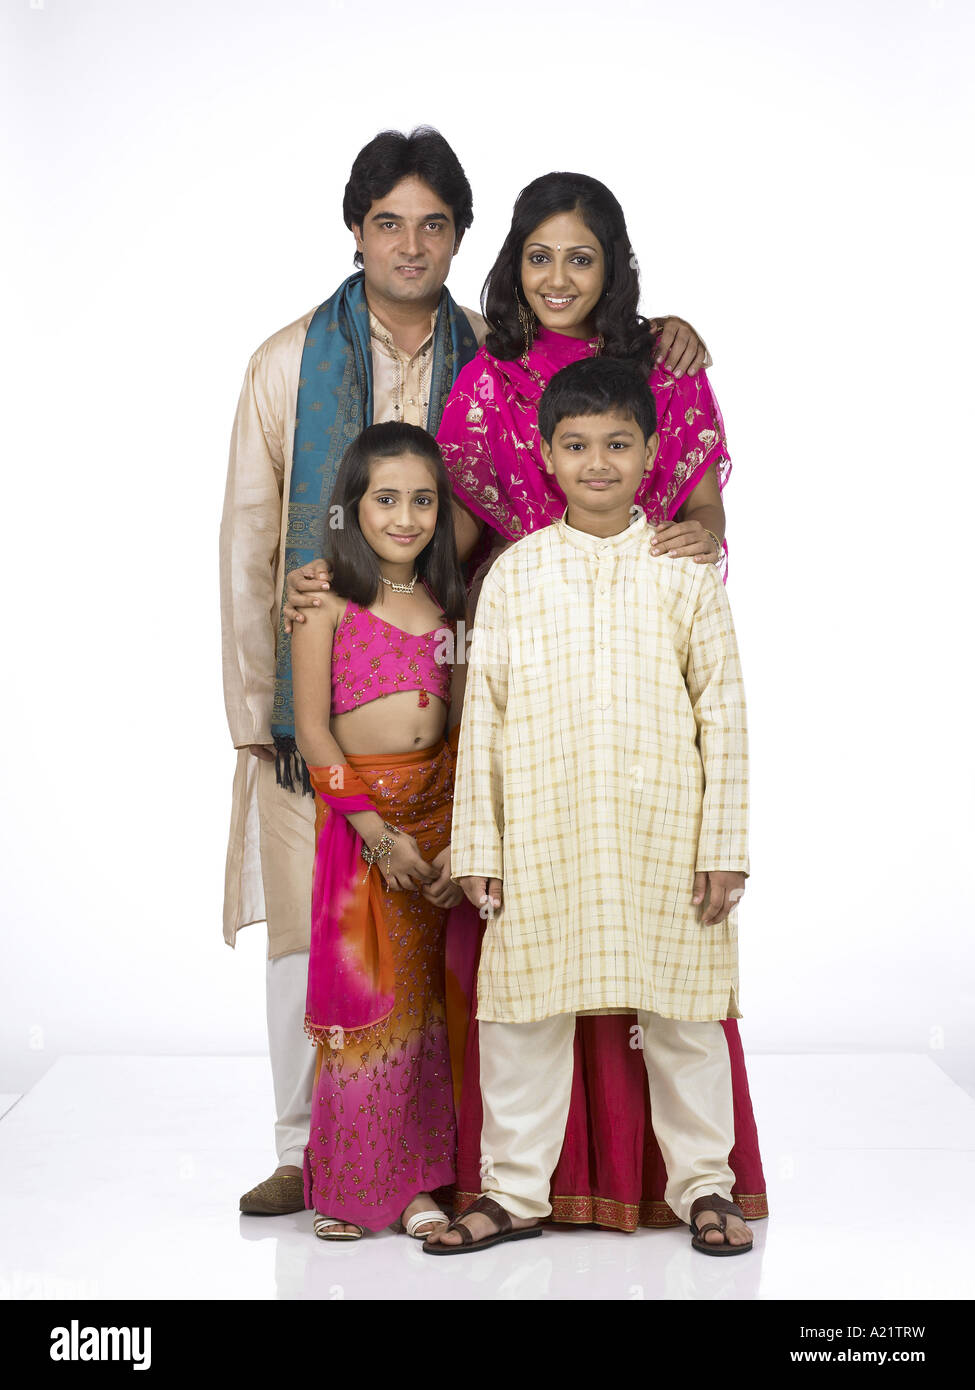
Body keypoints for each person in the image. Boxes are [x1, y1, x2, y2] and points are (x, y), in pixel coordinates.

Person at [226, 130, 706, 1219]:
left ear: (459, 238)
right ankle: (307, 1149)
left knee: (450, 944)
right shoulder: (287, 360)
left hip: (469, 686)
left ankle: (442, 1150)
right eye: (387, 222)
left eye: (433, 223)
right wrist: (265, 723)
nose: (409, 243)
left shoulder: (494, 353)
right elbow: (249, 536)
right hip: (323, 708)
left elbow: (594, 399)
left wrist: (672, 335)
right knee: (319, 936)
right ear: (354, 230)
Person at [425, 357, 752, 1255]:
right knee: (523, 1011)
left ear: (651, 452)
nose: (597, 461)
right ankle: (513, 1191)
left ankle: (703, 1189)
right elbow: (481, 717)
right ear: (544, 456)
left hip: (665, 834)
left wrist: (723, 845)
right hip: (541, 830)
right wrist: (477, 847)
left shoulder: (685, 573)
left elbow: (723, 713)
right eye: (576, 445)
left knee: (683, 1015)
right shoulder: (518, 575)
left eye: (617, 443)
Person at [291, 421, 473, 1239]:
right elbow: (313, 734)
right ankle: (352, 1188)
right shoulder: (323, 598)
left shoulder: (449, 601)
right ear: (352, 507)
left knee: (435, 1010)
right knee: (371, 1011)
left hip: (438, 824)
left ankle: (422, 1187)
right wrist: (376, 834)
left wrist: (454, 841)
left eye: (423, 500)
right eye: (386, 498)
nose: (405, 516)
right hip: (365, 828)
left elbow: (467, 726)